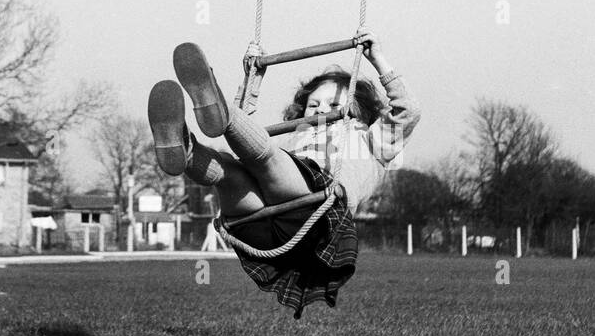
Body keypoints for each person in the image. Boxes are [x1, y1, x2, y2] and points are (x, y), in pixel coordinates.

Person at [147, 37, 418, 317]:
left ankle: (221, 112)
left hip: (316, 217)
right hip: (257, 225)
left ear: (359, 109)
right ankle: (186, 150)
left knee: (266, 157)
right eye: (314, 105)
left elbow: (408, 112)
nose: (322, 110)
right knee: (230, 172)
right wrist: (252, 78)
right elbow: (245, 134)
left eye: (334, 104)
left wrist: (378, 59)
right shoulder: (297, 136)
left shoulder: (373, 137)